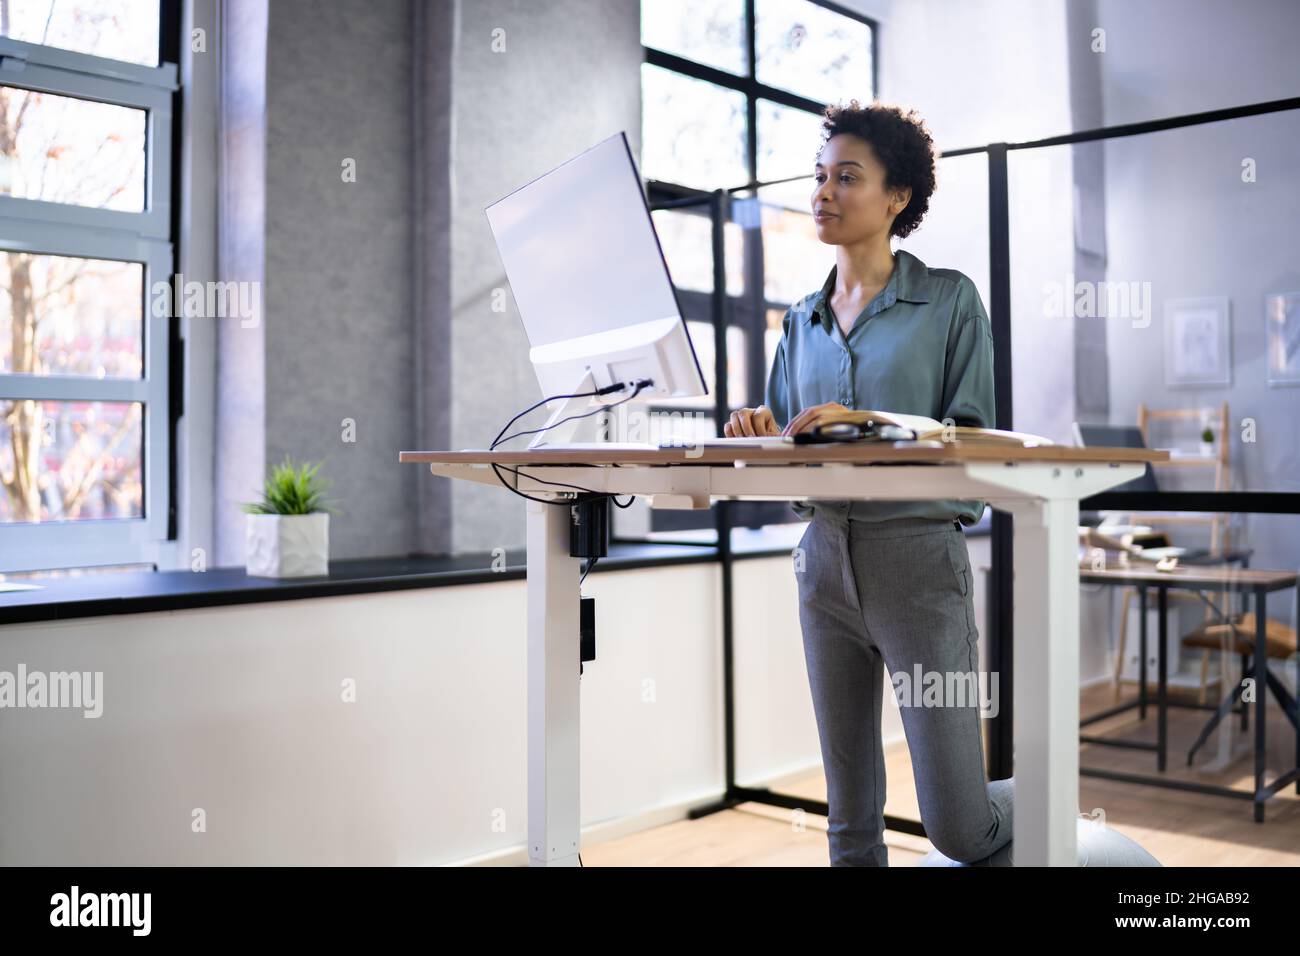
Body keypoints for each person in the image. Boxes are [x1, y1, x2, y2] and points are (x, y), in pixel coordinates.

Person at [724, 99, 1013, 867]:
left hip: (917, 565)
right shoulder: (801, 320)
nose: (823, 192)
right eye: (819, 176)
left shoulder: (950, 300)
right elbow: (794, 444)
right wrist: (760, 426)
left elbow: (975, 444)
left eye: (846, 177)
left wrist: (869, 421)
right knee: (849, 825)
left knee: (959, 827)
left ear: (898, 197)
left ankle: (1044, 790)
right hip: (822, 565)